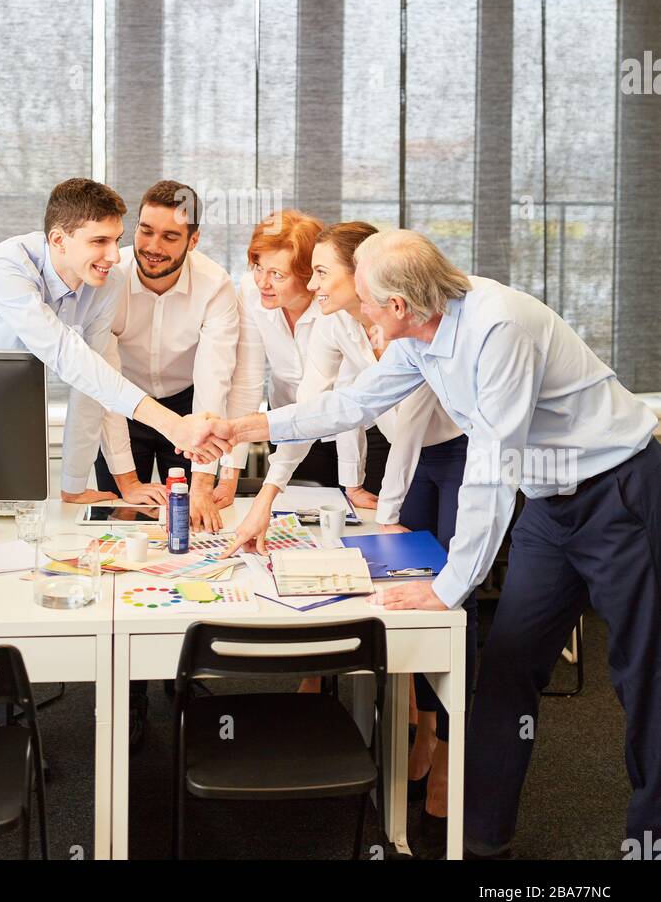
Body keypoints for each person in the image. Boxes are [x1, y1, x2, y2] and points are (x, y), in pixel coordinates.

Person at [211, 229, 660, 858]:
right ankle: (481, 838)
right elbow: (351, 404)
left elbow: (490, 468)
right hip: (551, 505)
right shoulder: (421, 332)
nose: (353, 310)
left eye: (362, 299)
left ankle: (650, 841)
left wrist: (449, 586)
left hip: (618, 492)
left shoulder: (497, 328)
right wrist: (248, 425)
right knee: (507, 668)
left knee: (644, 674)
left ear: (396, 305)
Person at [291, 222, 472, 846]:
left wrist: (385, 512)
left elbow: (411, 429)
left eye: (321, 273)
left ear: (362, 278)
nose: (308, 284)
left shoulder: (414, 323)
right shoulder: (335, 323)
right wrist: (267, 491)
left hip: (456, 454)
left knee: (448, 600)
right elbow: (319, 408)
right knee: (405, 594)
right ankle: (422, 722)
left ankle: (448, 751)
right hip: (407, 457)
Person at [0, 178, 225, 485]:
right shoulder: (8, 267)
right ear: (59, 240)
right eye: (99, 242)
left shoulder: (107, 283)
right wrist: (171, 424)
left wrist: (74, 486)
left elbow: (94, 379)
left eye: (116, 240)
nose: (116, 256)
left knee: (6, 514)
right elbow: (67, 356)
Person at [63, 179, 237, 533]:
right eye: (145, 231)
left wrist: (204, 482)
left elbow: (213, 382)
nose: (153, 247)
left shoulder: (215, 286)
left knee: (191, 523)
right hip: (121, 405)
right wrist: (127, 481)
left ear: (193, 240)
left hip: (190, 410)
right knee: (118, 524)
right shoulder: (109, 278)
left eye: (170, 237)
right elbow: (103, 382)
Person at [217, 210, 388, 511]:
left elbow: (345, 400)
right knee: (300, 519)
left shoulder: (335, 305)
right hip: (290, 425)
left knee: (361, 520)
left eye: (277, 275)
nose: (263, 283)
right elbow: (247, 381)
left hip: (360, 428)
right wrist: (229, 476)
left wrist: (353, 483)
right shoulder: (251, 291)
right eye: (258, 267)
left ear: (308, 272)